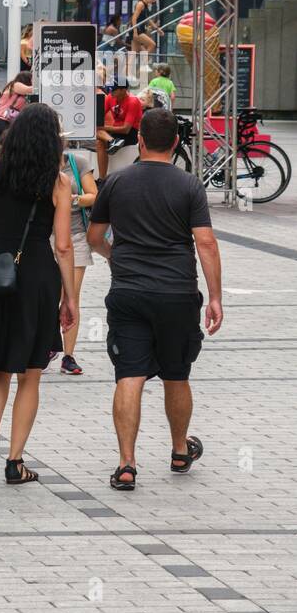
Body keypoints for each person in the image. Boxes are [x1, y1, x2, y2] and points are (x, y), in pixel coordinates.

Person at [86, 108, 222, 492]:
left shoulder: (115, 183)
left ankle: (126, 464)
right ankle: (180, 450)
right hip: (178, 293)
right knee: (176, 373)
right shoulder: (190, 186)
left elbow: (96, 237)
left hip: (128, 292)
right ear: (176, 143)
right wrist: (215, 298)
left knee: (129, 374)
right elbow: (206, 243)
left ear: (140, 141)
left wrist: (117, 257)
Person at [0, 104, 79, 485]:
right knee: (30, 373)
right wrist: (70, 297)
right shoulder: (59, 182)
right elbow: (62, 245)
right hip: (38, 277)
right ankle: (15, 461)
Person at [58, 146, 98, 376]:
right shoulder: (38, 162)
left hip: (76, 236)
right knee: (48, 295)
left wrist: (74, 200)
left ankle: (68, 354)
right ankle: (46, 347)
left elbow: (94, 195)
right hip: (47, 236)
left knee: (71, 295)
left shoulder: (77, 162)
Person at [96, 76, 142, 178]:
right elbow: (98, 116)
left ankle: (112, 141)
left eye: (113, 89)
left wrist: (103, 127)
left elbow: (126, 129)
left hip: (130, 133)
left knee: (99, 130)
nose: (110, 91)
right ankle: (102, 178)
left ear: (123, 90)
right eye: (109, 88)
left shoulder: (133, 101)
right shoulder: (110, 97)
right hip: (116, 133)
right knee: (98, 140)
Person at [0, 71, 33, 159]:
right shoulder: (16, 85)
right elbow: (29, 89)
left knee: (15, 133)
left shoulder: (21, 94)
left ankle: (1, 156)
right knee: (8, 133)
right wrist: (43, 84)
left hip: (6, 121)